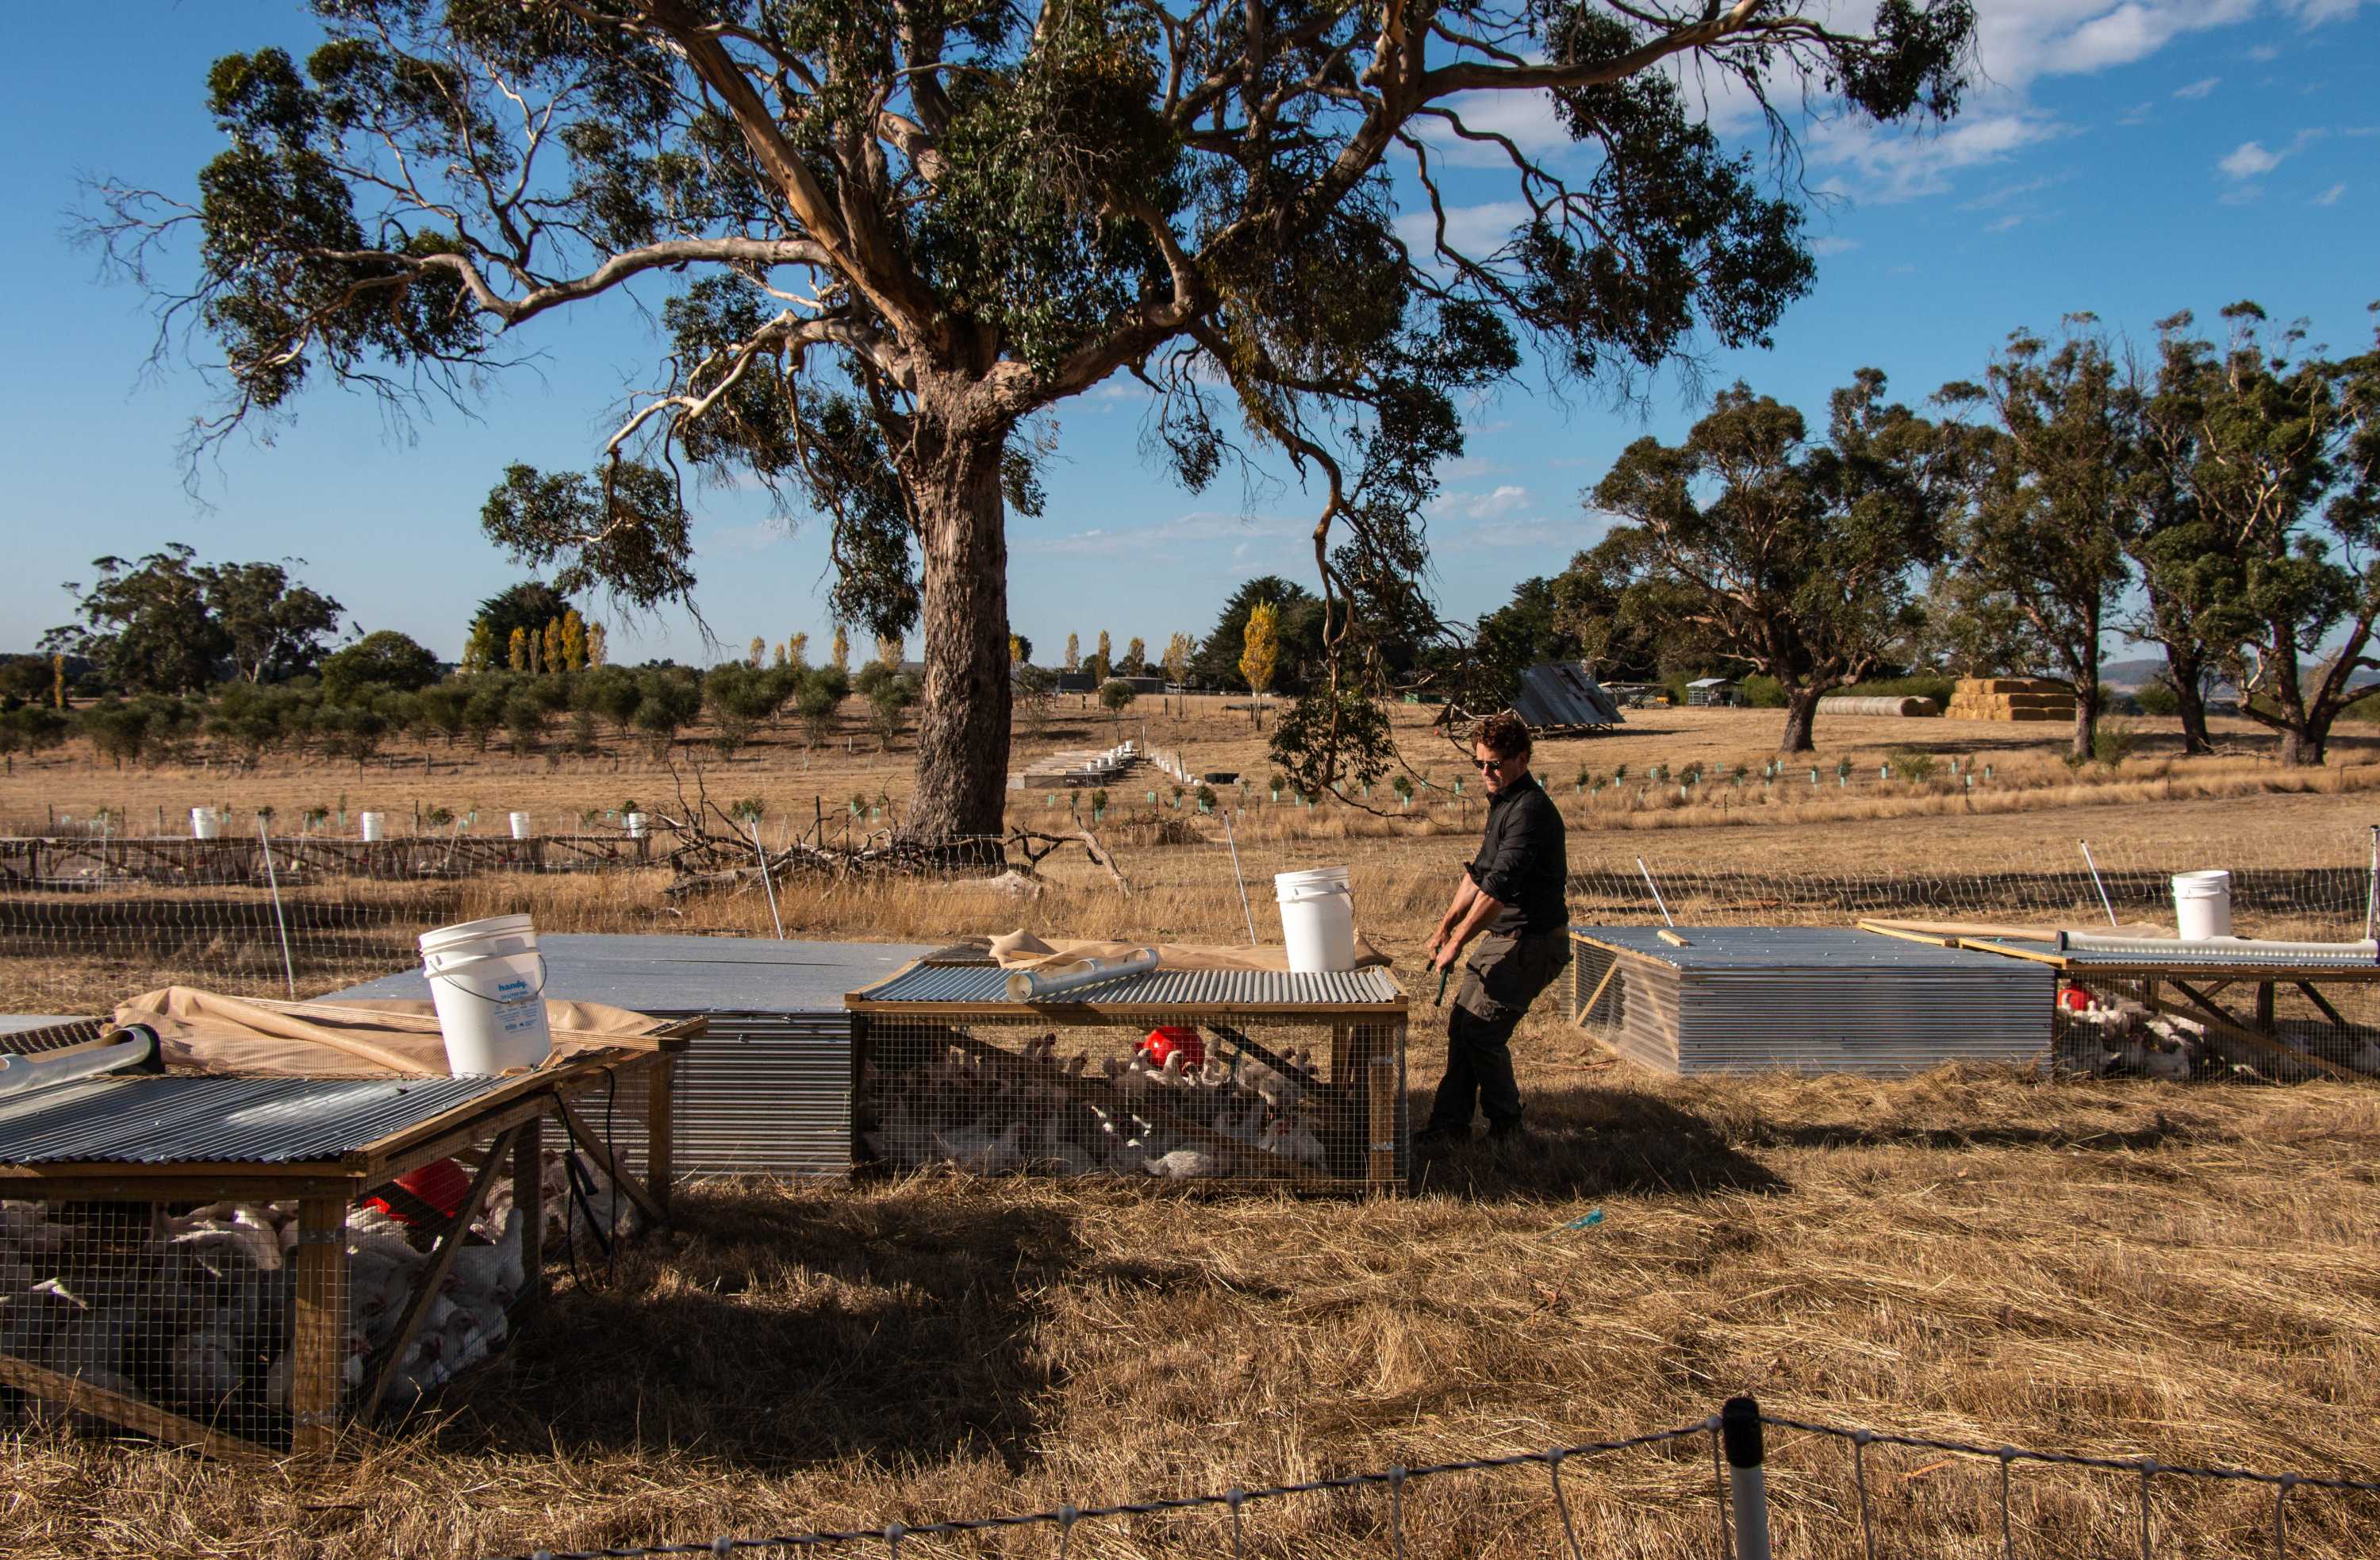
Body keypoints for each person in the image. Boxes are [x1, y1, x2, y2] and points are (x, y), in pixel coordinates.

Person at [1420, 710, 1569, 1143]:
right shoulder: (1503, 802)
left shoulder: (1530, 811)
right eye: (1479, 764)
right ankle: (1449, 1126)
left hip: (1532, 941)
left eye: (1495, 764)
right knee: (1462, 1025)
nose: (1486, 772)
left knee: (1482, 1032)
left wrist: (1459, 942)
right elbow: (1478, 875)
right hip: (1504, 938)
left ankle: (1508, 1129)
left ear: (1522, 758)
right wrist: (1445, 926)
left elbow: (1498, 890)